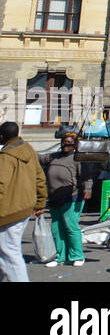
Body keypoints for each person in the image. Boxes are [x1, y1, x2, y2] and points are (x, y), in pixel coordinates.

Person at [0, 121, 47, 282]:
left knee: (9, 251)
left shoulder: (6, 157)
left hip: (9, 210)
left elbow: (0, 185)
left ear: (2, 137)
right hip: (25, 207)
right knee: (6, 251)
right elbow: (40, 178)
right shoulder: (29, 150)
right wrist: (40, 202)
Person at [38, 133, 93, 267]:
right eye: (64, 142)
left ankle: (77, 256)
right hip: (54, 198)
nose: (66, 145)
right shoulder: (53, 156)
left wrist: (88, 190)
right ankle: (59, 256)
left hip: (72, 197)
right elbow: (38, 157)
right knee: (56, 228)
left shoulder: (78, 158)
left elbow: (87, 176)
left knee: (71, 227)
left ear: (74, 145)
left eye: (70, 143)